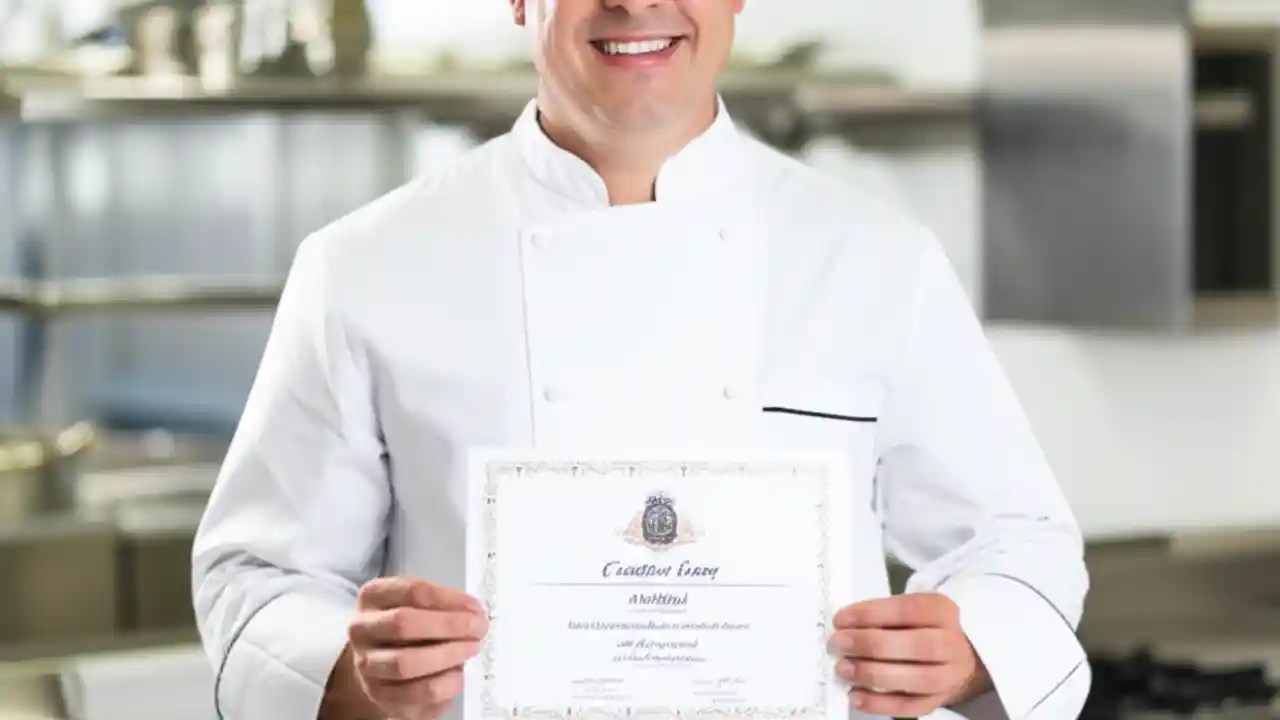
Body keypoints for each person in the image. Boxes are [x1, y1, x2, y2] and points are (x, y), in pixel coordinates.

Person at [192, 1, 1091, 718]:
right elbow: (259, 577)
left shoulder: (878, 259)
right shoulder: (363, 266)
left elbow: (1020, 544)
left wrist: (967, 649)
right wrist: (354, 670)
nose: (632, 2)